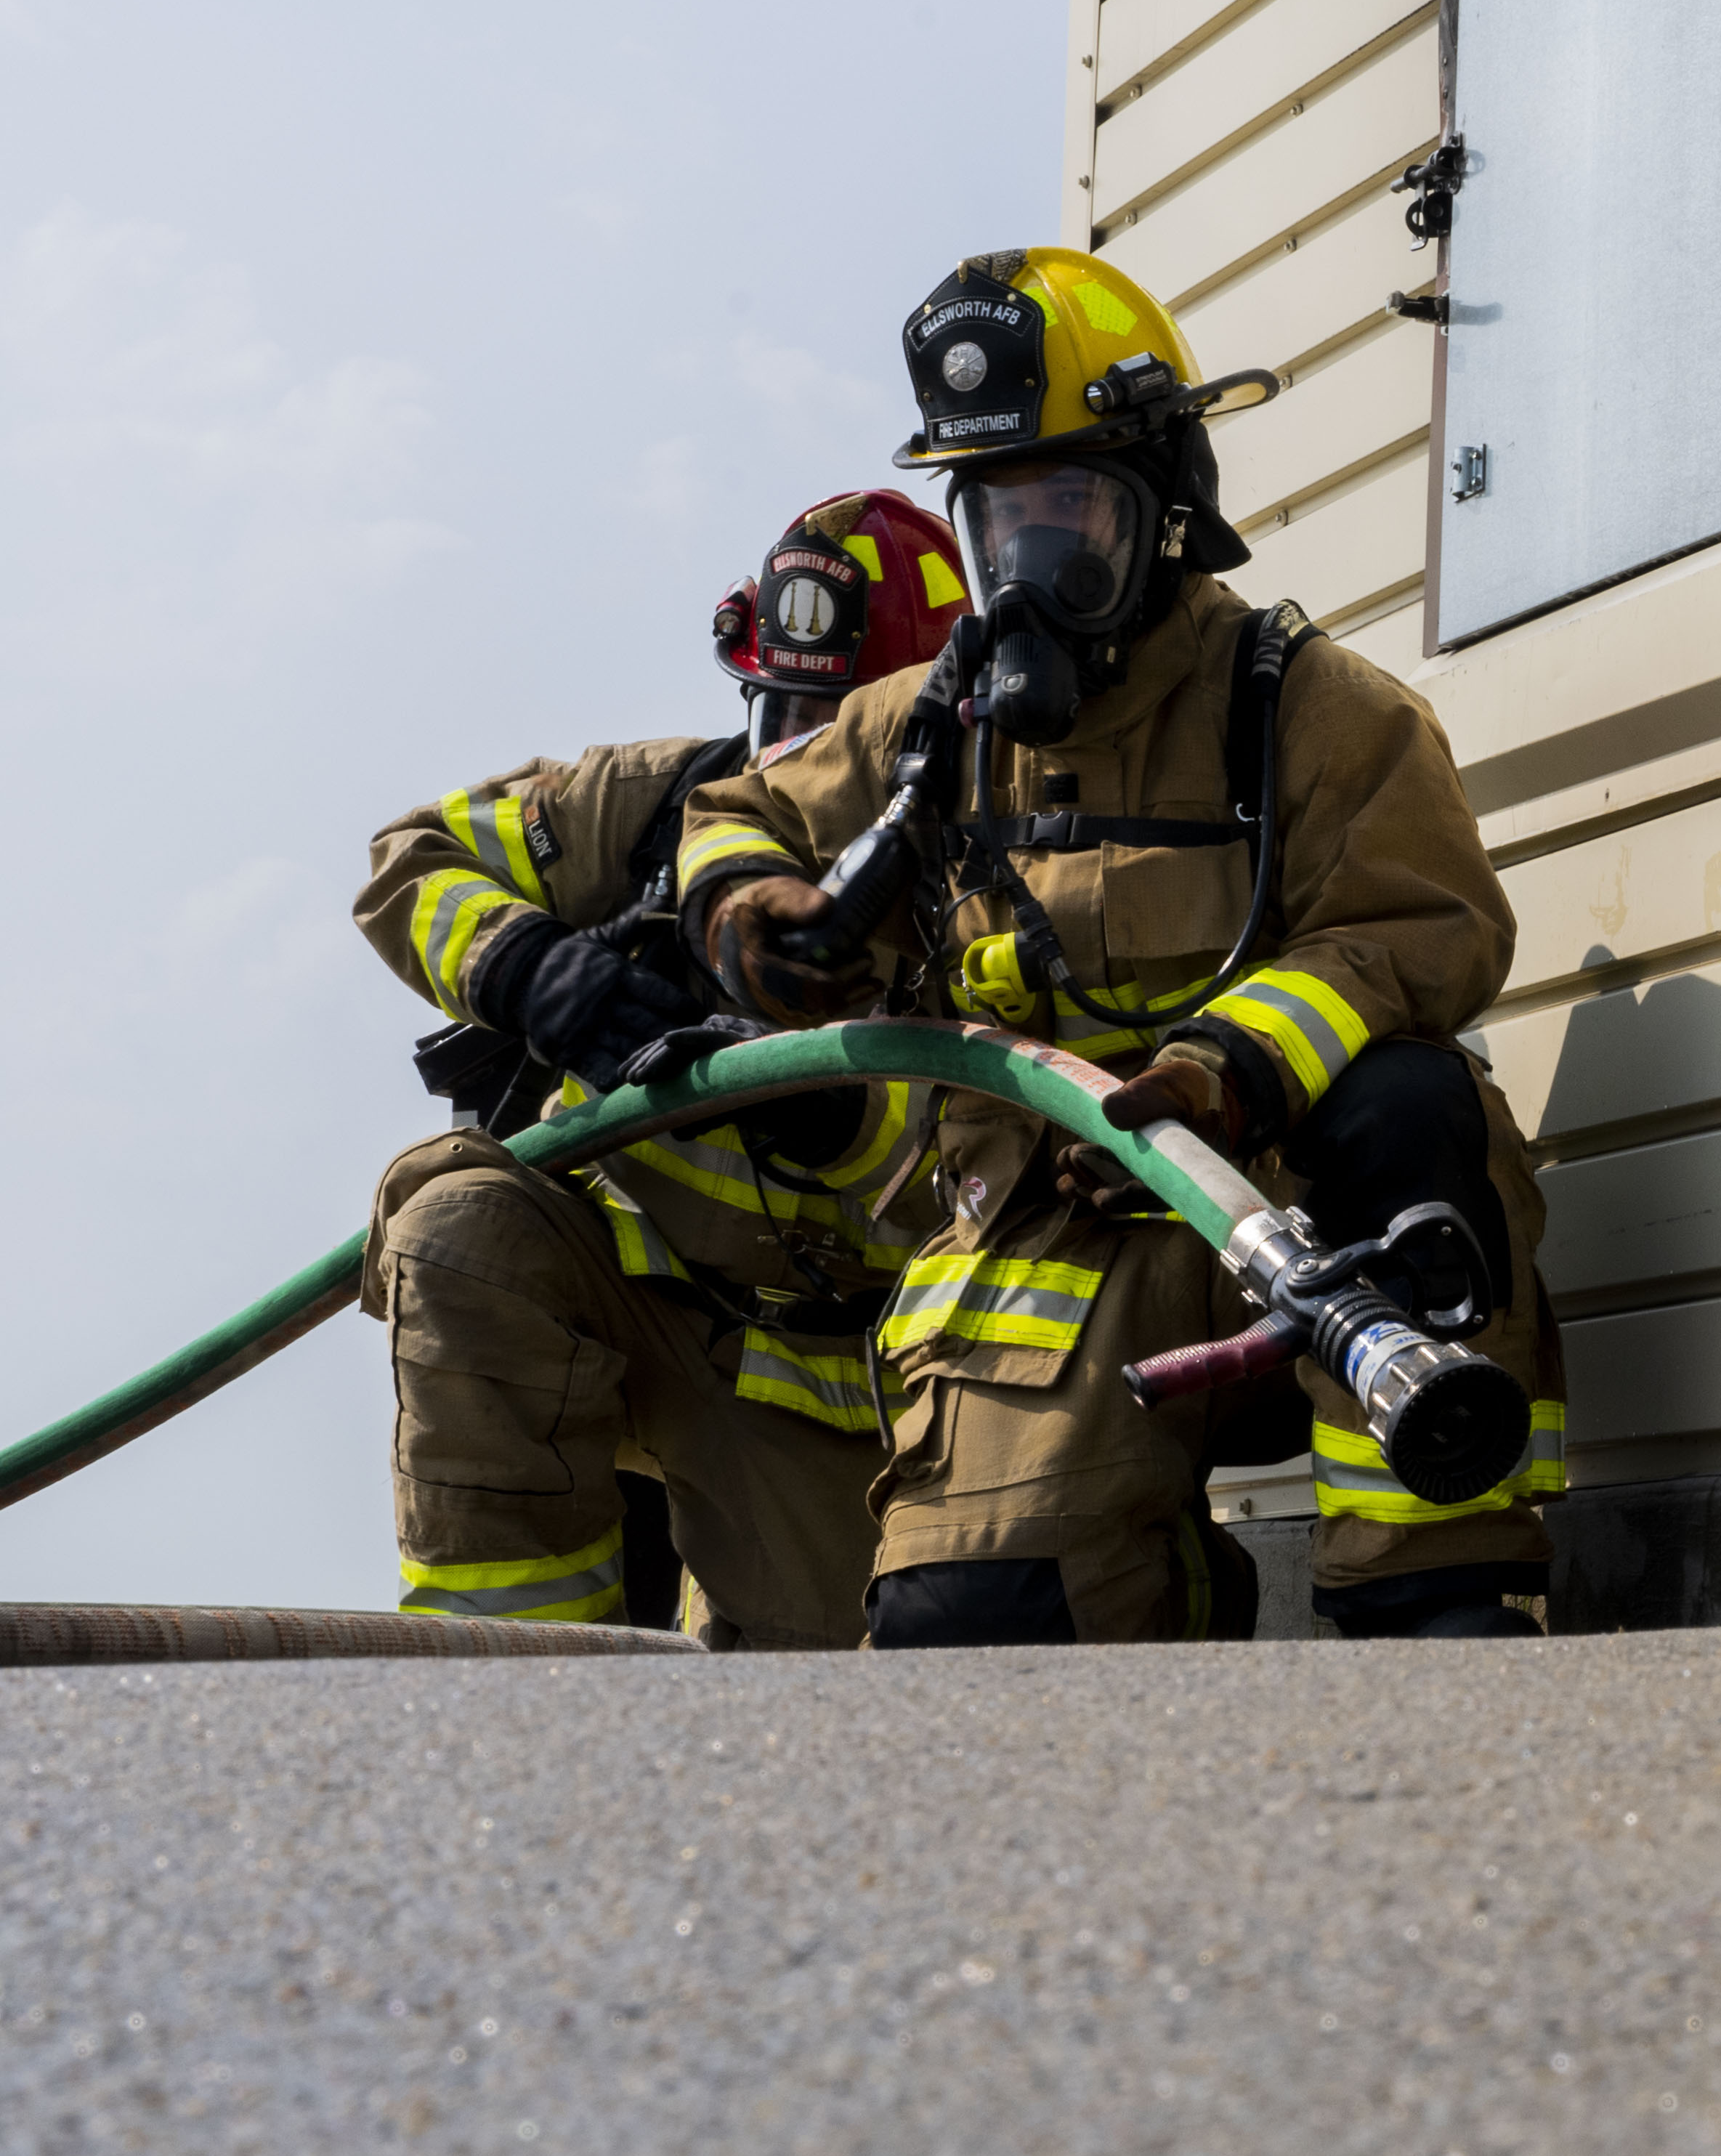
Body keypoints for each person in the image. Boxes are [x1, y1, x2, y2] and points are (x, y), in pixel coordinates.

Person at [672, 246, 1567, 1650]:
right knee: (971, 1627)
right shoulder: (921, 730)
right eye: (998, 520)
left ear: (1166, 507)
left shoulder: (1308, 708)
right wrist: (750, 913)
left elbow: (1430, 928)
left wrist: (1228, 1066)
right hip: (1049, 1229)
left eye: (1070, 511)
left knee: (1416, 1112)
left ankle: (1434, 1587)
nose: (1030, 565)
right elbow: (730, 811)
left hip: (1277, 1196)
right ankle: (1161, 1619)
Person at [344, 491, 975, 1647]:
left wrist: (827, 1110)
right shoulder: (655, 804)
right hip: (639, 1310)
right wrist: (533, 971)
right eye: (781, 714)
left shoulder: (972, 884)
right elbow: (407, 862)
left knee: (843, 1700)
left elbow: (990, 1169)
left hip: (852, 1371)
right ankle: (514, 1695)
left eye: (837, 731)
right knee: (461, 1230)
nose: (795, 762)